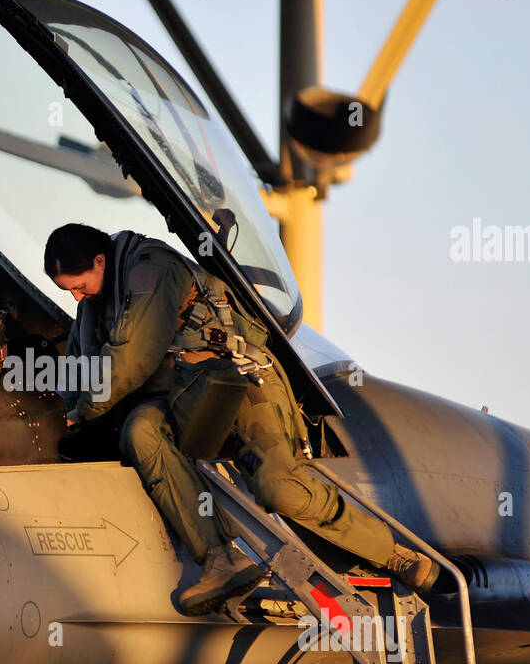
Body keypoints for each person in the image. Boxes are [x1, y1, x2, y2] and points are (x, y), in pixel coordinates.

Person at [44, 222, 437, 616]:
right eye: (70, 291)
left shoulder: (151, 267)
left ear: (100, 260)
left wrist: (81, 412)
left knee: (278, 489)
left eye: (78, 285)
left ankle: (396, 554)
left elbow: (131, 360)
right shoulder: (93, 306)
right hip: (183, 397)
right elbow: (80, 373)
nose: (77, 296)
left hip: (238, 381)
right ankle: (220, 557)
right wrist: (62, 417)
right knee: (141, 430)